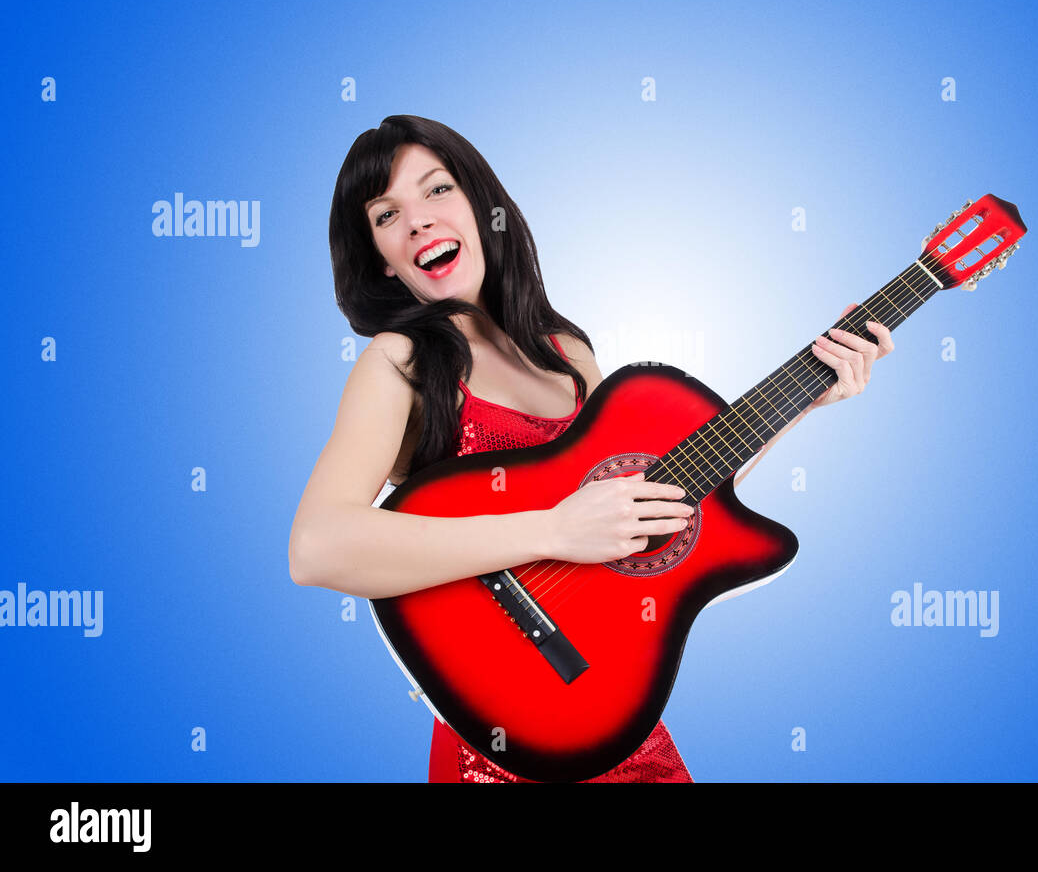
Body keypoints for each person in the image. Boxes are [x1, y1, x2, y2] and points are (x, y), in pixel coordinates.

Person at [288, 115, 894, 783]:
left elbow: (665, 497)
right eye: (386, 214)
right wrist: (555, 529)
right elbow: (317, 547)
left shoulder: (566, 354)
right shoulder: (398, 361)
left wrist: (805, 396)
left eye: (437, 191)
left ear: (481, 205)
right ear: (380, 255)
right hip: (505, 741)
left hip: (617, 720)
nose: (418, 222)